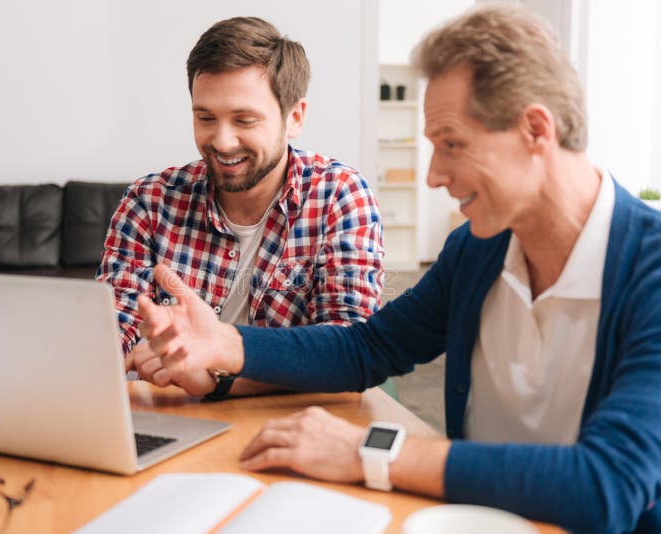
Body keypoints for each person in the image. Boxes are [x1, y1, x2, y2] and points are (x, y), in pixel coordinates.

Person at [131, 5, 661, 533]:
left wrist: (370, 451)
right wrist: (228, 343)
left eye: (452, 145)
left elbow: (606, 485)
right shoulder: (477, 252)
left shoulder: (649, 272)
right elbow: (368, 348)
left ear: (535, 130)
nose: (433, 176)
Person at [97, 17, 384, 398]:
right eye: (205, 118)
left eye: (244, 120)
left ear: (294, 117)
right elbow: (111, 332)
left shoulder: (339, 196)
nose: (222, 141)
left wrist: (217, 378)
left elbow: (344, 351)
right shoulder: (149, 201)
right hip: (169, 414)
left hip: (289, 423)